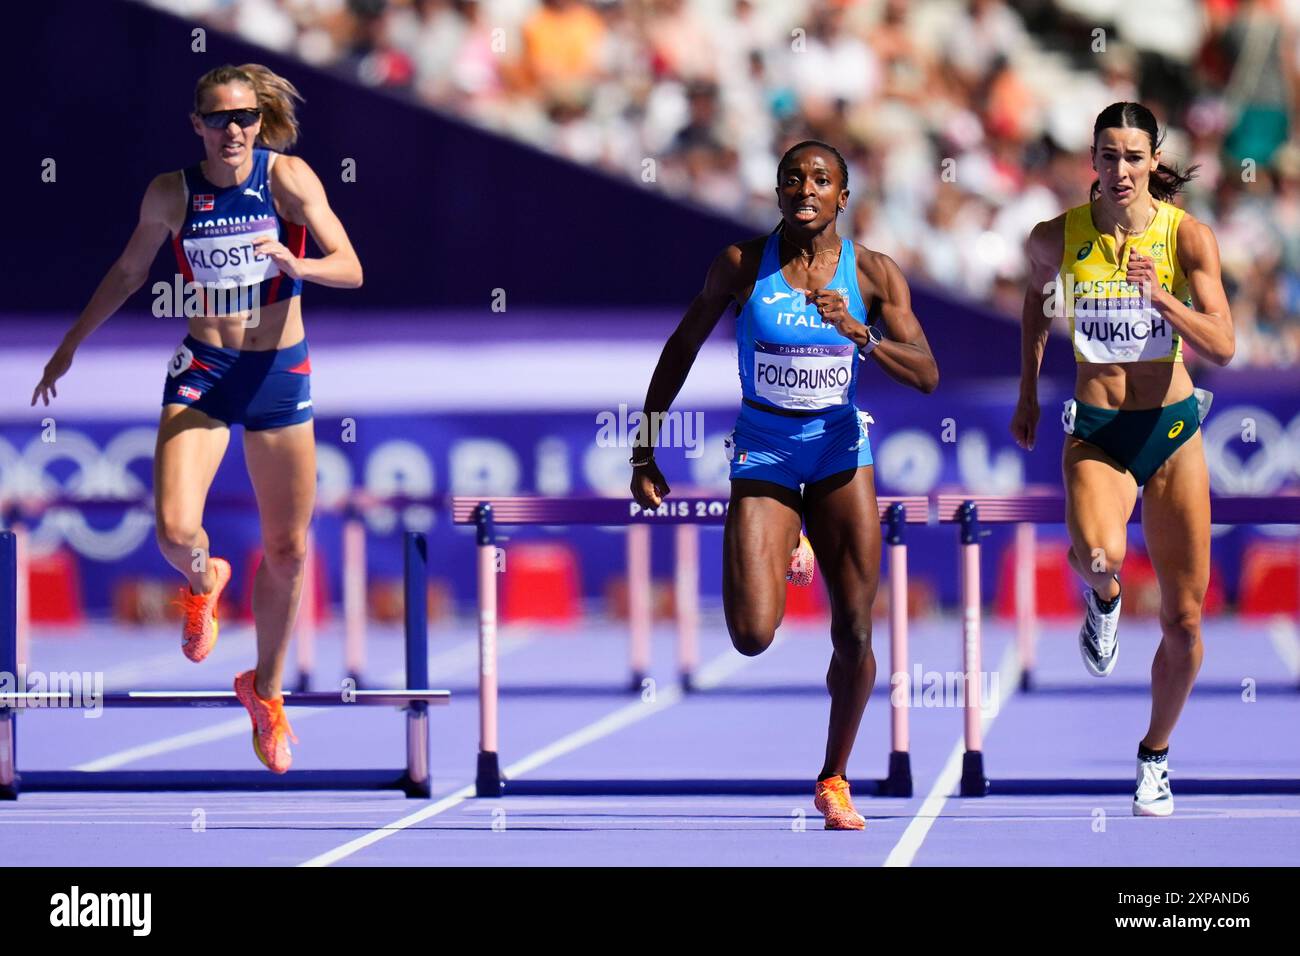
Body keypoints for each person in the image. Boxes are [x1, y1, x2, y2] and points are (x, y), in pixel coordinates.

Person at [31, 64, 363, 774]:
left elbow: (352, 266)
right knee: (175, 529)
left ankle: (264, 690)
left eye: (246, 117)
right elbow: (127, 273)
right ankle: (203, 578)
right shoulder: (171, 194)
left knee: (289, 550)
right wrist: (70, 343)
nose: (235, 130)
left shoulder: (289, 180)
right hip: (206, 372)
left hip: (278, 373)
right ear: (198, 126)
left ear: (259, 121)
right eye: (220, 119)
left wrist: (298, 267)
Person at [630, 141, 938, 829]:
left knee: (856, 631)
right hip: (765, 457)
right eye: (793, 179)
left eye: (821, 180)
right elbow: (680, 346)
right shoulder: (741, 266)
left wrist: (860, 335)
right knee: (750, 635)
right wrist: (644, 448)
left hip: (838, 455)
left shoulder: (877, 275)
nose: (807, 189)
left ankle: (833, 777)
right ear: (776, 193)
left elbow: (926, 374)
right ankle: (789, 533)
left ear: (843, 196)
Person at [1012, 102, 1234, 816]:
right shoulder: (1057, 238)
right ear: (1094, 161)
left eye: (1133, 157)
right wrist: (1027, 394)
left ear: (1152, 160)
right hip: (1100, 430)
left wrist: (1161, 298)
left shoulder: (1187, 237)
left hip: (1170, 430)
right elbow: (1034, 304)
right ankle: (1103, 601)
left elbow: (1225, 345)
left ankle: (1155, 755)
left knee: (1186, 622)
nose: (1120, 170)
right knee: (1101, 557)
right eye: (1108, 157)